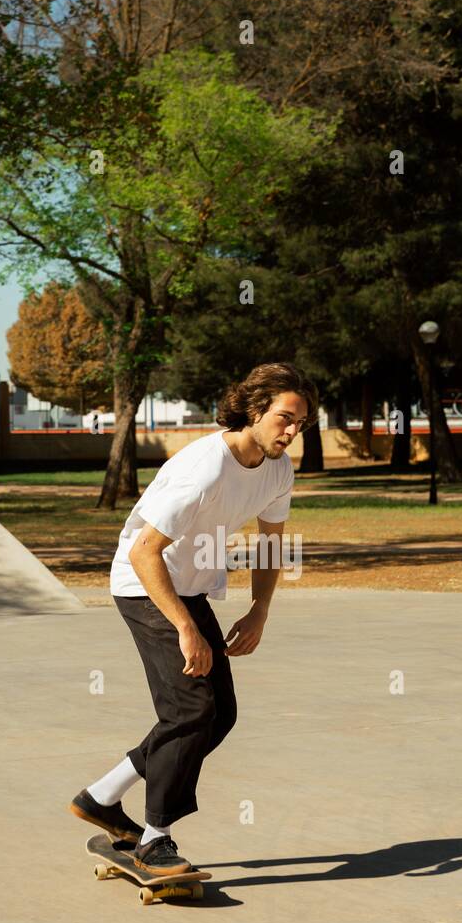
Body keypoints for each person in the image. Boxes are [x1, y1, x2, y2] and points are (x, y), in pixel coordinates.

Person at [69, 362, 319, 875]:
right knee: (190, 710)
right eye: (285, 418)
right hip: (145, 586)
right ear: (254, 410)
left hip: (190, 587)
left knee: (218, 713)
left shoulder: (278, 469)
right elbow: (144, 552)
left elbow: (271, 545)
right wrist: (186, 628)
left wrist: (260, 610)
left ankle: (102, 796)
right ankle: (155, 839)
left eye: (301, 423)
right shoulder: (204, 467)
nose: (292, 432)